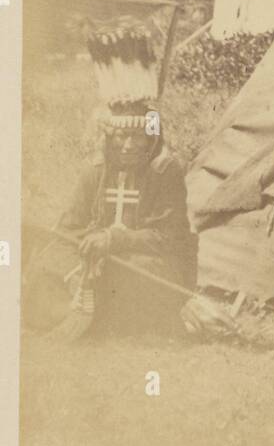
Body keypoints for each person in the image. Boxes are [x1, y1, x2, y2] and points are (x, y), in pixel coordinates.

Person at [25, 104, 196, 339]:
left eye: (137, 137)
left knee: (124, 272)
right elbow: (69, 228)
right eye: (121, 136)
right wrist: (87, 251)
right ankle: (72, 312)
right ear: (109, 138)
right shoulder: (95, 170)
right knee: (45, 263)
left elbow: (168, 237)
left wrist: (113, 239)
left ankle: (95, 320)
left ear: (151, 140)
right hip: (95, 258)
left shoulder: (165, 172)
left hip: (149, 261)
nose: (128, 145)